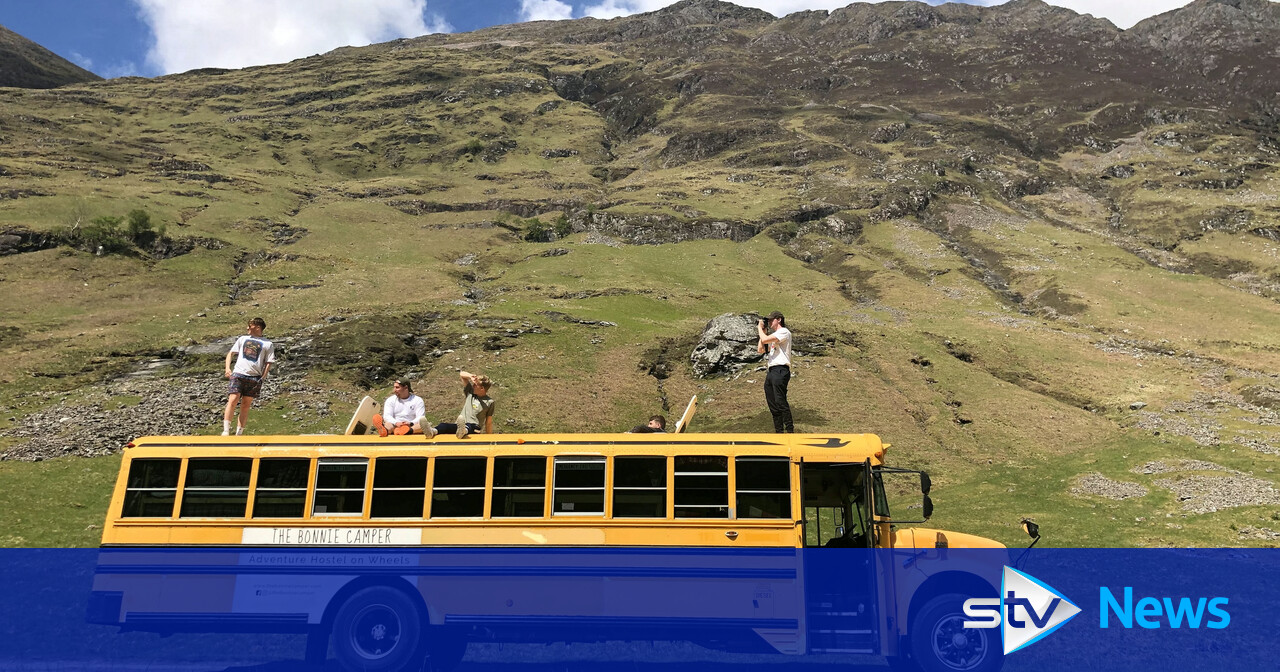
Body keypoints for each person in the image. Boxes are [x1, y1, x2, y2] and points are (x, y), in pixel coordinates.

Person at [222, 317, 275, 436]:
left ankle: (239, 433)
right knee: (233, 399)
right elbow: (231, 353)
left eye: (249, 326)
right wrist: (227, 368)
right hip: (238, 373)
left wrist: (263, 377)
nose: (247, 328)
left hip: (254, 376)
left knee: (246, 404)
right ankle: (226, 430)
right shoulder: (243, 339)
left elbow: (269, 362)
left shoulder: (268, 343)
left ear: (257, 327)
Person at [756, 311, 793, 433]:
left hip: (780, 369)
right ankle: (779, 432)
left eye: (772, 320)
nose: (770, 322)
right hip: (771, 370)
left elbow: (765, 339)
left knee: (780, 400)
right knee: (773, 403)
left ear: (779, 320)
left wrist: (760, 330)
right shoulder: (773, 337)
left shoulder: (784, 332)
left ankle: (789, 431)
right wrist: (763, 332)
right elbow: (760, 350)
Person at [433, 370, 495, 439]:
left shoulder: (489, 402)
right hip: (459, 426)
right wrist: (470, 376)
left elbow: (488, 422)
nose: (473, 386)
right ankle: (433, 431)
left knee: (469, 426)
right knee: (444, 425)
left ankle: (463, 430)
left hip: (474, 428)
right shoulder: (470, 393)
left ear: (482, 388)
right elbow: (462, 374)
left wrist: (489, 438)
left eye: (475, 385)